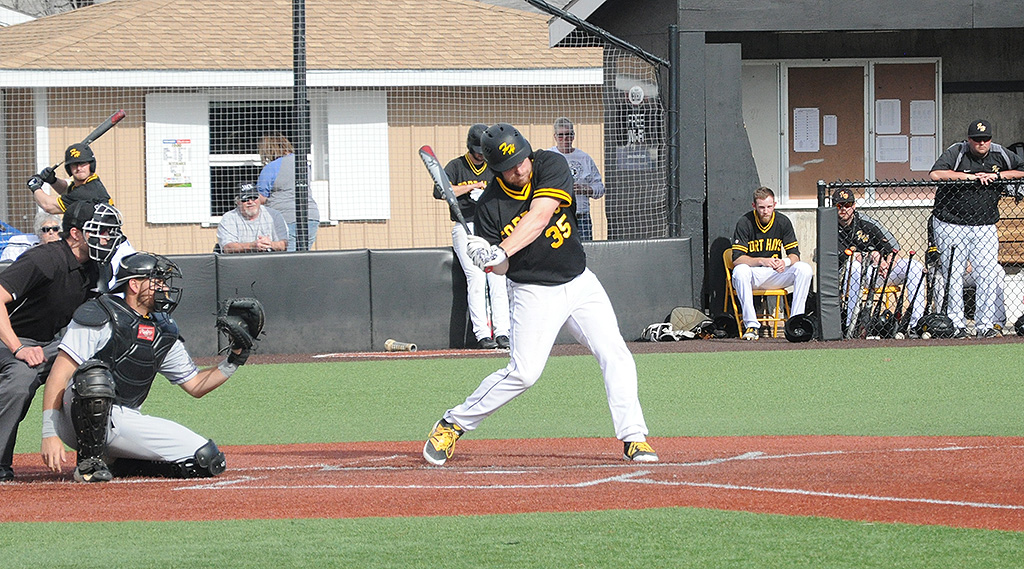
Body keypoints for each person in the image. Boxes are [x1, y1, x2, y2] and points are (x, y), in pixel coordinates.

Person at [423, 123, 657, 466]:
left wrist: (500, 249)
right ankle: (452, 423)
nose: (519, 169)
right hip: (533, 291)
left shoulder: (550, 164)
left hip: (579, 282)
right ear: (494, 169)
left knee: (615, 353)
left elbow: (539, 215)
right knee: (524, 373)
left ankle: (634, 438)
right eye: (509, 167)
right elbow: (501, 270)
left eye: (521, 160)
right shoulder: (489, 207)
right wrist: (485, 256)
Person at [39, 253, 248, 482]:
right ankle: (88, 464)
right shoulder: (99, 314)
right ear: (134, 284)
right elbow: (58, 376)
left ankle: (118, 464)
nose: (164, 288)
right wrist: (49, 434)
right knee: (95, 379)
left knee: (207, 460)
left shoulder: (164, 329)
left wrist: (235, 358)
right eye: (156, 281)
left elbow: (196, 385)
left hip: (123, 418)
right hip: (73, 419)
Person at [0, 201, 123, 481]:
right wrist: (18, 348)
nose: (108, 238)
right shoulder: (44, 259)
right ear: (76, 234)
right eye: (101, 231)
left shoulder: (96, 268)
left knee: (96, 368)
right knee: (20, 379)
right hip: (9, 338)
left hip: (47, 343)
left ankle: (94, 459)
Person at [929, 119, 1023, 338]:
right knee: (953, 274)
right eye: (977, 139)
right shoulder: (958, 151)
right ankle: (957, 324)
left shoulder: (1000, 154)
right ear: (969, 139)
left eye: (986, 139)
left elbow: (1021, 170)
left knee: (988, 273)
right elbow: (936, 174)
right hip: (951, 223)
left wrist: (997, 175)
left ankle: (985, 325)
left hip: (984, 224)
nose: (982, 143)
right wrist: (969, 177)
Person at [435, 124, 510, 349]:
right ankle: (482, 334)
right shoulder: (457, 166)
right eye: (477, 150)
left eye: (482, 150)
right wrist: (469, 188)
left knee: (497, 278)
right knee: (476, 278)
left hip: (490, 227)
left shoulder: (493, 166)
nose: (480, 155)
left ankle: (503, 332)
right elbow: (440, 191)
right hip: (465, 226)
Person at [833, 188, 926, 334]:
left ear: (854, 206)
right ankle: (851, 325)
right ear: (834, 207)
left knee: (915, 266)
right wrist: (872, 255)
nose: (844, 209)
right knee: (855, 265)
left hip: (878, 272)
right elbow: (845, 257)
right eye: (839, 205)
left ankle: (915, 324)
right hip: (852, 276)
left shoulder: (865, 222)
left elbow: (892, 249)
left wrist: (888, 263)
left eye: (847, 204)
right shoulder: (829, 226)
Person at [730, 186, 813, 340]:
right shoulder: (745, 222)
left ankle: (795, 323)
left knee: (804, 269)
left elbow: (795, 255)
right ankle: (751, 326)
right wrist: (761, 260)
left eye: (769, 207)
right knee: (740, 271)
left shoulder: (782, 221)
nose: (766, 211)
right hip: (753, 275)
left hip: (775, 274)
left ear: (774, 204)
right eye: (761, 207)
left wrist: (785, 262)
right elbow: (737, 259)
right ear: (754, 206)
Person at [257, 132, 320, 251]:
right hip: (311, 215)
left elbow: (261, 197)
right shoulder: (303, 163)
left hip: (285, 217)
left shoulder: (271, 167)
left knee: (288, 257)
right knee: (303, 256)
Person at [547, 117, 605, 240]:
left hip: (581, 217)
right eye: (561, 135)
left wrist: (585, 189)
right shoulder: (548, 157)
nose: (565, 139)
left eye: (568, 134)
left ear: (573, 136)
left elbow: (600, 188)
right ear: (555, 137)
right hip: (556, 216)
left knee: (586, 252)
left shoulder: (584, 158)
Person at [30, 143, 114, 215]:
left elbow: (49, 206)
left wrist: (35, 186)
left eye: (82, 163)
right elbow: (67, 189)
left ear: (91, 165)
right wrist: (53, 180)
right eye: (74, 164)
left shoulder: (88, 190)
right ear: (69, 168)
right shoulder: (89, 182)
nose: (79, 168)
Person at [217, 183, 288, 253]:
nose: (250, 202)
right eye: (245, 199)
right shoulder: (229, 218)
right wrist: (252, 246)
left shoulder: (274, 215)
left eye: (254, 198)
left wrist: (269, 244)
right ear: (237, 202)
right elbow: (227, 247)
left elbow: (284, 244)